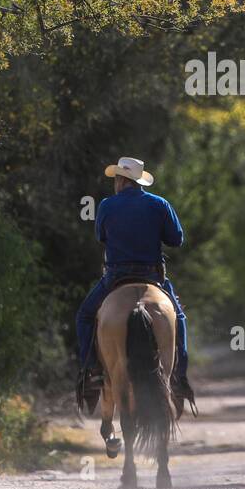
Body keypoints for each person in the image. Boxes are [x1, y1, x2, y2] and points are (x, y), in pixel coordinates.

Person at [75, 156, 194, 409]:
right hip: (152, 276)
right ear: (139, 181)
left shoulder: (107, 205)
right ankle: (179, 376)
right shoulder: (159, 204)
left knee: (85, 316)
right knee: (179, 318)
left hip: (116, 276)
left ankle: (91, 370)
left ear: (120, 180)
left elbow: (101, 236)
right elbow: (177, 240)